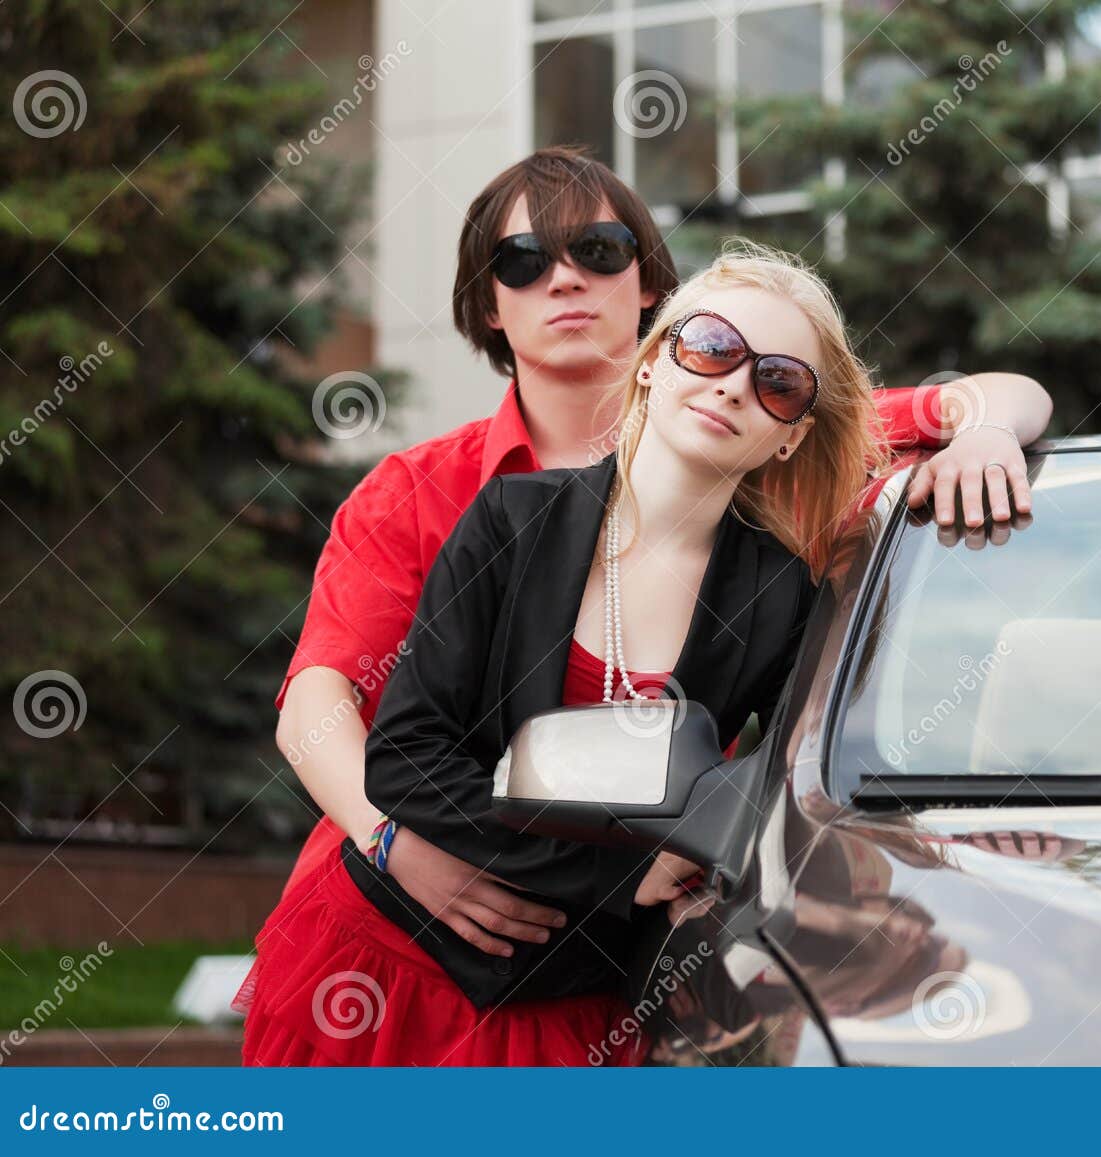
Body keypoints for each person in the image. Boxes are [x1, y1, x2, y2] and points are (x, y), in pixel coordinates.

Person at [264, 146, 1051, 980]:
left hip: (616, 954)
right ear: (488, 302)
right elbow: (316, 705)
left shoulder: (741, 397)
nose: (564, 279)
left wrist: (987, 431)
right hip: (394, 921)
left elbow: (977, 398)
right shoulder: (428, 490)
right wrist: (396, 843)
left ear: (650, 287)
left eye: (598, 251)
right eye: (523, 260)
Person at [239, 242, 930, 1064]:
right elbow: (406, 758)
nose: (734, 385)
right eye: (712, 346)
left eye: (778, 382)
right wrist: (616, 880)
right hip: (384, 971)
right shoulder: (511, 519)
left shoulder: (781, 598)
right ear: (653, 363)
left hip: (580, 1009)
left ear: (791, 435)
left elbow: (789, 796)